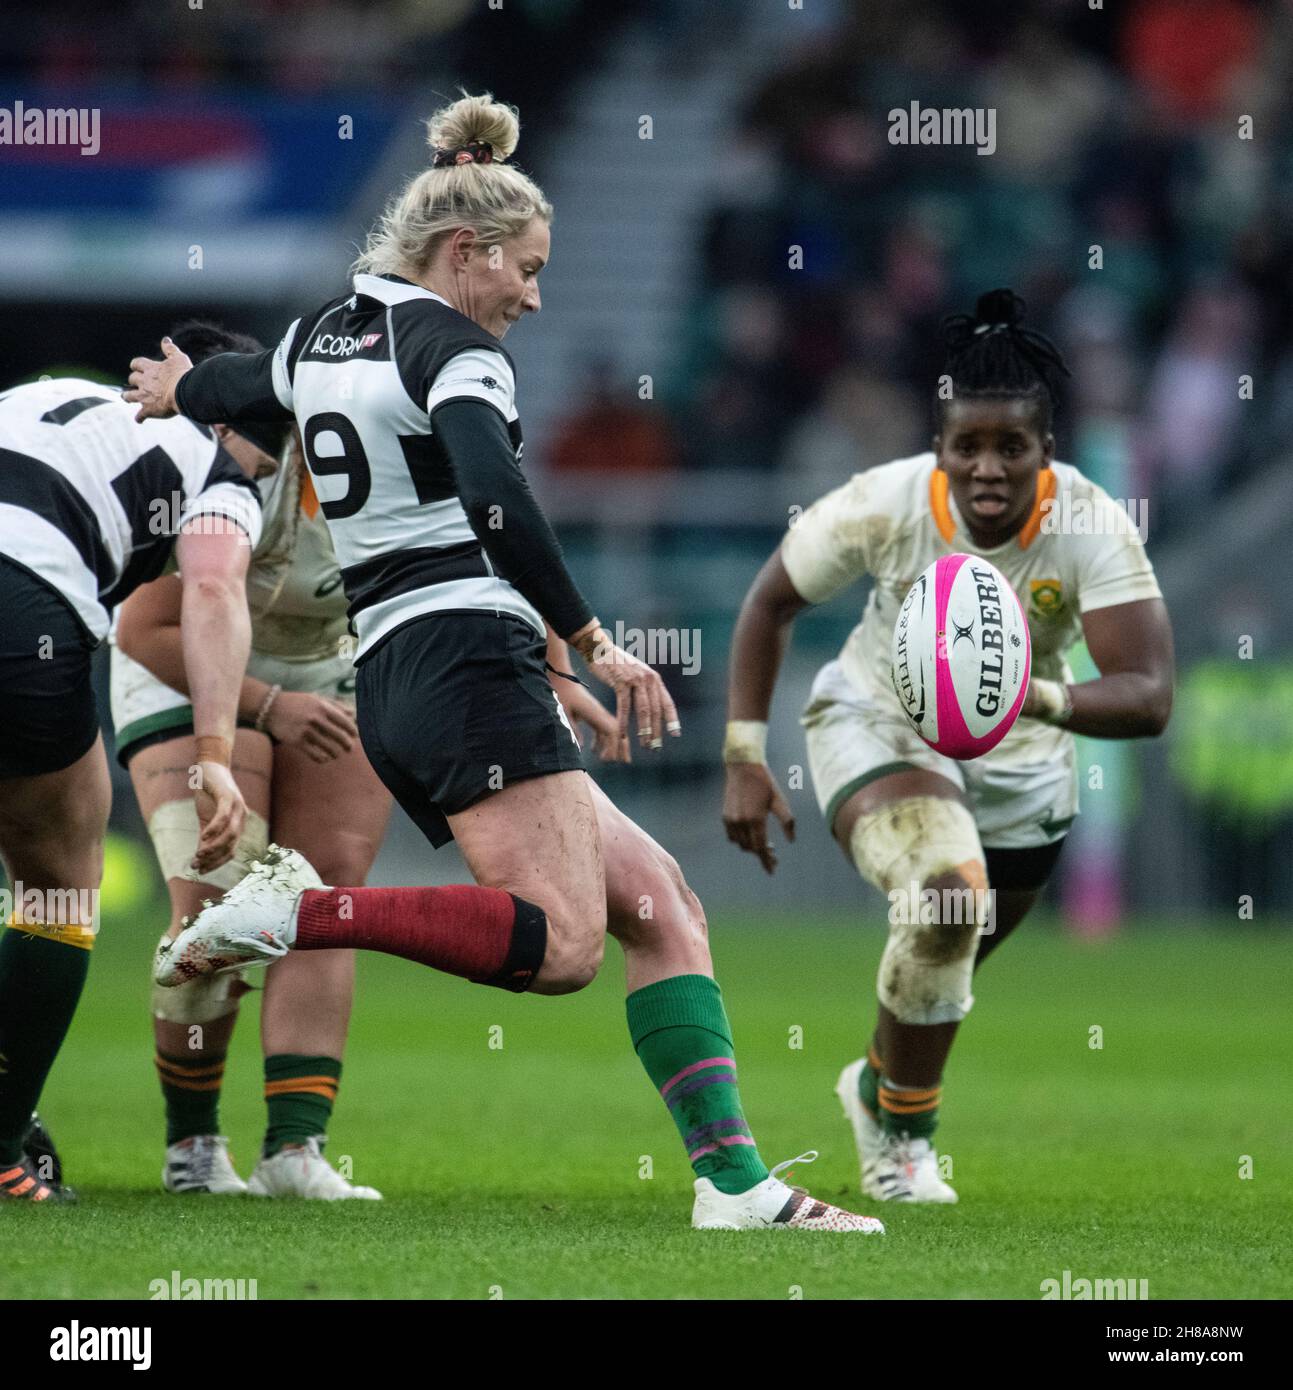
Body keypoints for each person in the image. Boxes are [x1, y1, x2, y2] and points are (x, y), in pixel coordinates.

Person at [126, 92, 882, 1234]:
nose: (533, 293)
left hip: (402, 668)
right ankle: (307, 911)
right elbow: (494, 497)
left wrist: (174, 390)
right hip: (463, 659)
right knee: (566, 943)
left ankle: (734, 1184)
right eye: (524, 268)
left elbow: (233, 390)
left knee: (663, 908)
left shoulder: (320, 335)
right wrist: (591, 638)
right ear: (463, 252)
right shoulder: (454, 348)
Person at [722, 289, 1174, 1202]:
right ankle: (904, 1139)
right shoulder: (885, 503)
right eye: (966, 444)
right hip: (875, 722)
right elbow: (769, 602)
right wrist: (741, 753)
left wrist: (1030, 695)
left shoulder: (1089, 524)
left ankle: (874, 1086)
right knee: (947, 897)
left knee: (941, 954)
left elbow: (1149, 693)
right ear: (940, 447)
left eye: (1011, 446)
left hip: (1025, 769)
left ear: (1046, 450)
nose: (987, 467)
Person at [111, 321, 393, 1199]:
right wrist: (267, 707)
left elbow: (483, 549)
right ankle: (193, 1146)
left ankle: (293, 1151)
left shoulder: (384, 459)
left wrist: (565, 664)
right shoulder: (214, 472)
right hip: (180, 664)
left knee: (322, 895)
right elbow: (144, 627)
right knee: (224, 899)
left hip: (327, 665)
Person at [0, 365, 270, 1200]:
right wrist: (217, 755)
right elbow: (215, 585)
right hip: (21, 601)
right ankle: (4, 1143)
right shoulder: (221, 466)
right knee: (57, 882)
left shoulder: (49, 394)